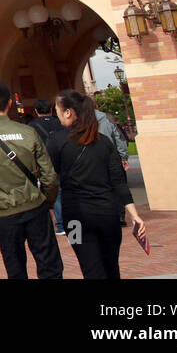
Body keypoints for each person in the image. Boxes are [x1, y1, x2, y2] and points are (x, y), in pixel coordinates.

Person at [0, 80, 63, 280]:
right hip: (34, 205)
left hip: (3, 212)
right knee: (49, 263)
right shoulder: (28, 132)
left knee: (15, 268)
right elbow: (49, 175)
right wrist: (49, 200)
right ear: (10, 103)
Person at [50, 90, 146, 278]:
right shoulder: (104, 143)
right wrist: (134, 215)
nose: (57, 114)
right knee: (111, 267)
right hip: (107, 215)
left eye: (57, 110)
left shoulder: (57, 141)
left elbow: (49, 177)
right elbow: (118, 181)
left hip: (75, 220)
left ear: (68, 112)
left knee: (89, 267)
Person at [30, 99, 65, 233]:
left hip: (44, 164)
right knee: (63, 191)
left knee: (51, 192)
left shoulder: (31, 126)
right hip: (62, 161)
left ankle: (58, 225)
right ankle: (68, 223)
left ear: (36, 111)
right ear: (51, 110)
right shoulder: (60, 122)